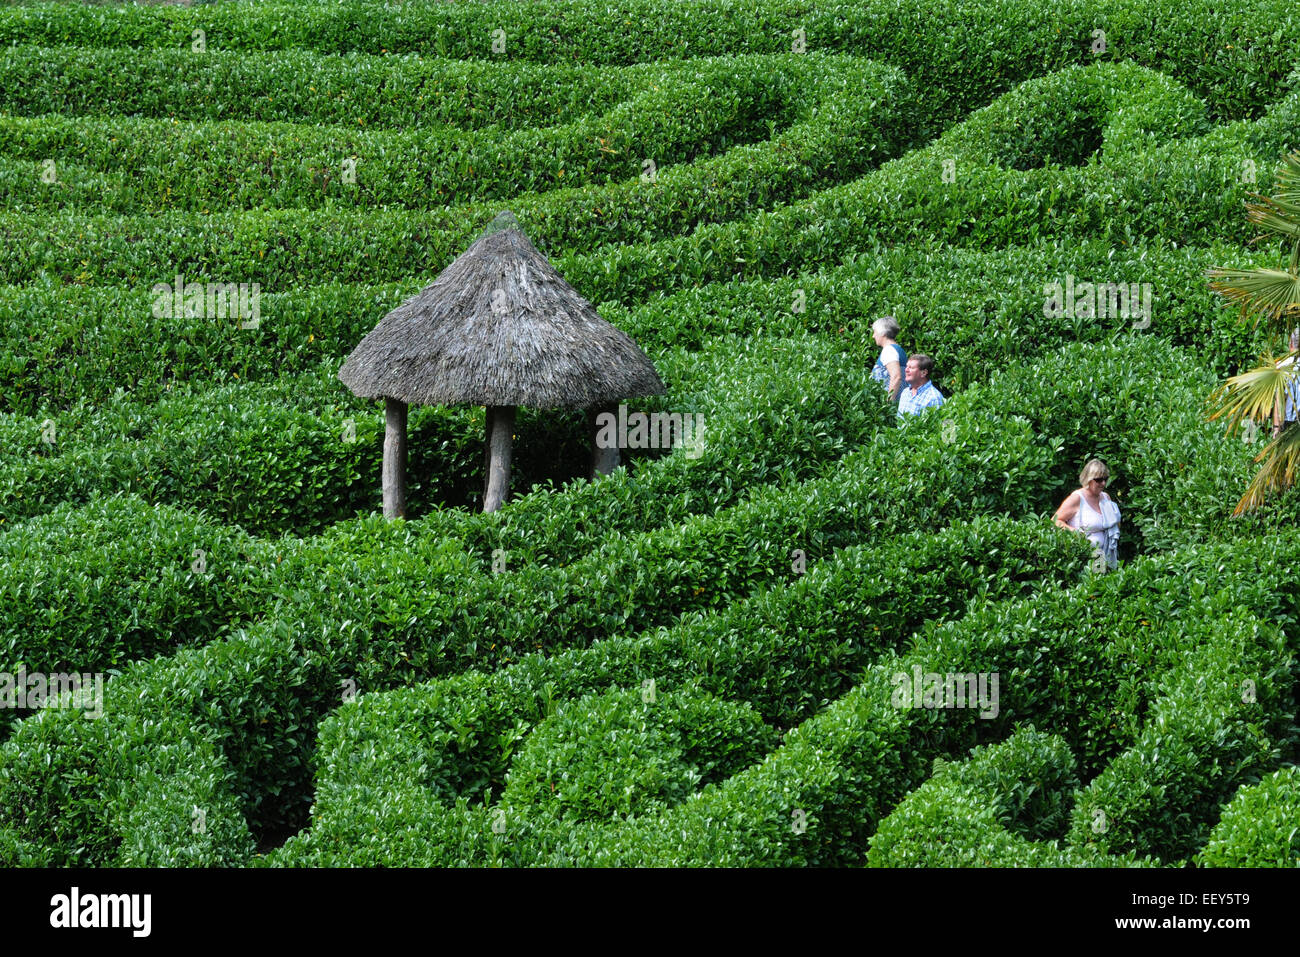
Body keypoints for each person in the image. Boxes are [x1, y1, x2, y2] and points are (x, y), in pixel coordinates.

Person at [1053, 458, 1121, 571]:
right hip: (1083, 555)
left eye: (1105, 479)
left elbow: (1115, 524)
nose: (1103, 483)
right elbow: (1055, 521)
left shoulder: (1106, 498)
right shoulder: (1077, 498)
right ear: (1088, 479)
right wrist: (1076, 533)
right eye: (1099, 480)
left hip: (1104, 554)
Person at [870, 316, 907, 403]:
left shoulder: (889, 350)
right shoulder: (898, 349)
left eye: (875, 332)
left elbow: (896, 377)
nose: (873, 336)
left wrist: (889, 403)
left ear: (883, 333)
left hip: (890, 404)